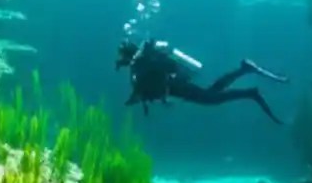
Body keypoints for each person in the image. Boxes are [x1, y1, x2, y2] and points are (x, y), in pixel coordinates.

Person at [114, 37, 288, 123]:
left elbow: (140, 91)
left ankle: (250, 90)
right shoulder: (142, 63)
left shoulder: (138, 66)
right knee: (211, 94)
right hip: (178, 86)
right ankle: (245, 72)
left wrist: (132, 101)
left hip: (178, 87)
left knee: (211, 98)